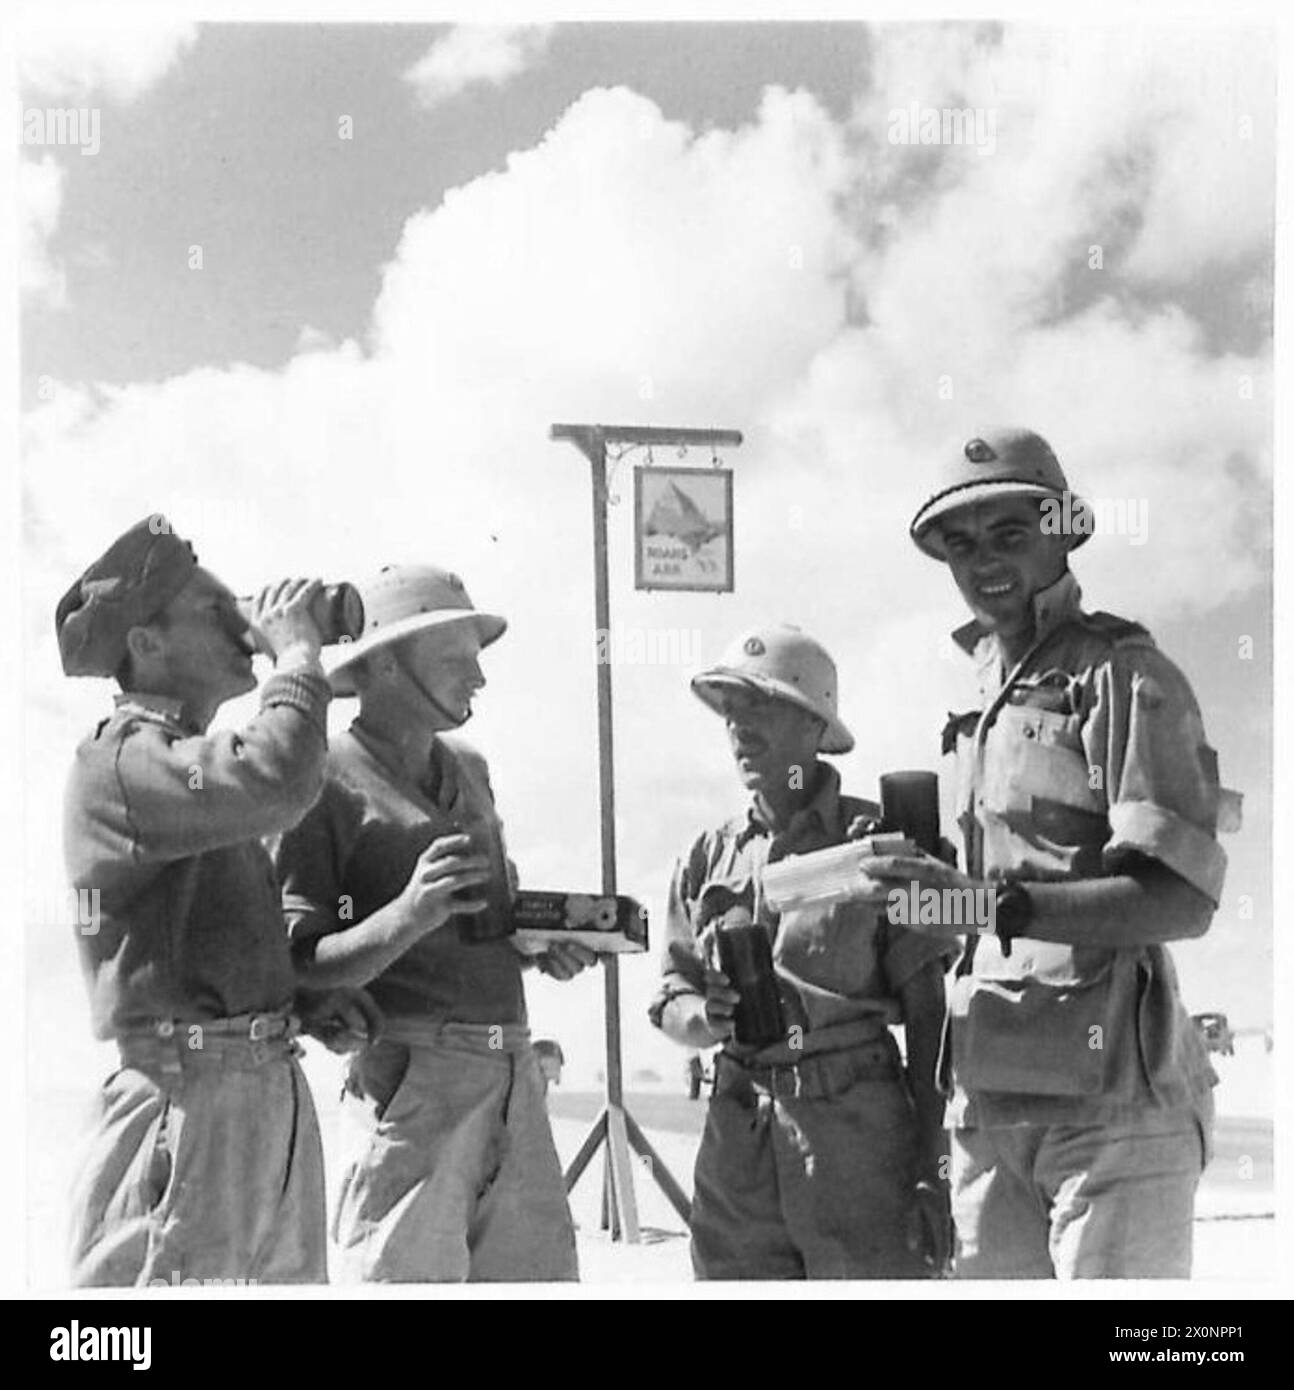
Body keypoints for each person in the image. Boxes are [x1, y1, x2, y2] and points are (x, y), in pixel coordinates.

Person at [862, 427, 1229, 1279]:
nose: (983, 560)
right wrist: (915, 901)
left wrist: (994, 902)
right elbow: (969, 916)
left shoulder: (1122, 673)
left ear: (1063, 531)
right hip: (990, 1111)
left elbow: (1182, 899)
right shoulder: (973, 706)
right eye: (960, 545)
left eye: (1010, 534)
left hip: (1113, 1116)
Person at [59, 515, 372, 1286]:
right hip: (188, 1100)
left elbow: (193, 934)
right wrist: (297, 657)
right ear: (146, 644)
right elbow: (279, 777)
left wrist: (292, 1002)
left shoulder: (191, 768)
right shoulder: (124, 760)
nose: (242, 624)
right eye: (213, 610)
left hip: (255, 1089)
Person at [272, 563, 594, 1282]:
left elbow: (488, 914)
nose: (477, 678)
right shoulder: (319, 778)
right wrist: (407, 915)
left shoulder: (471, 771)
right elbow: (297, 967)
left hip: (512, 1074)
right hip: (410, 1085)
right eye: (454, 657)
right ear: (384, 661)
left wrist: (540, 943)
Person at [648, 625, 953, 1279]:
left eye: (762, 707)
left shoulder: (878, 845)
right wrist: (708, 1018)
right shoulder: (708, 856)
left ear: (816, 727)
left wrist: (935, 1166)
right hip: (737, 1149)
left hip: (858, 1145)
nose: (740, 729)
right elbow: (671, 996)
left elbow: (929, 1016)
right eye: (731, 711)